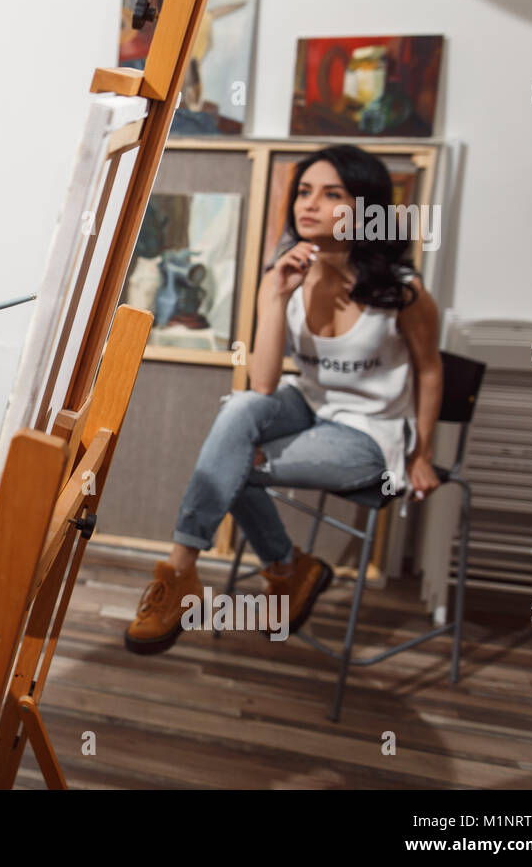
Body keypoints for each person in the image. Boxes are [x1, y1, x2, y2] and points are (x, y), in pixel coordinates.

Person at [125, 144, 443, 655]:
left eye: (331, 194)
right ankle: (185, 570)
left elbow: (430, 370)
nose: (309, 204)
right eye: (303, 192)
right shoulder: (286, 276)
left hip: (371, 433)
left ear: (368, 208)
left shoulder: (403, 292)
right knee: (241, 409)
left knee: (234, 463)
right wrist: (275, 294)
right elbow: (265, 384)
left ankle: (283, 570)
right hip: (309, 406)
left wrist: (423, 453)